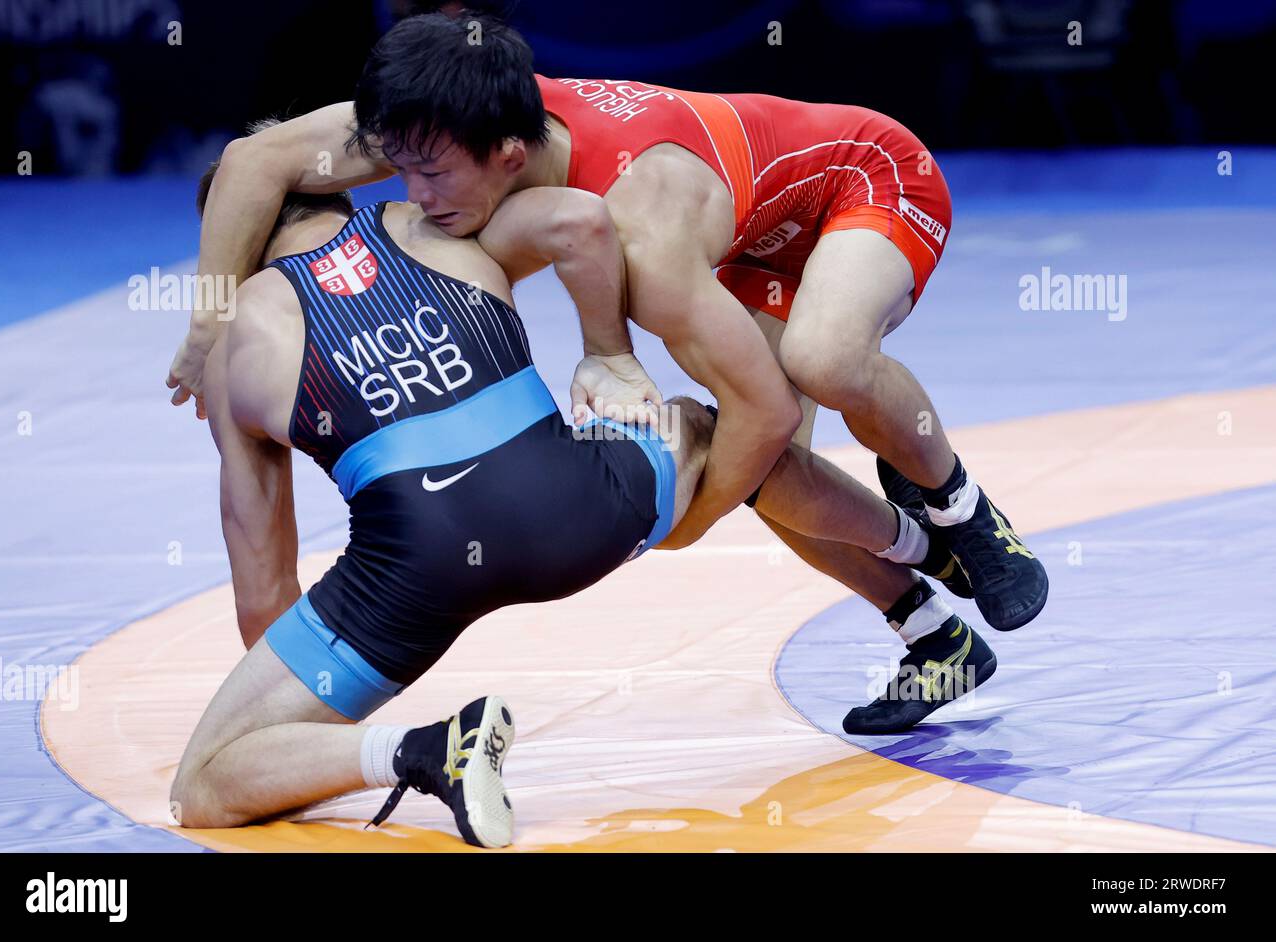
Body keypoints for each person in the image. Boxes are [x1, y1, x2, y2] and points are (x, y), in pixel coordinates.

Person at [167, 10, 1020, 734]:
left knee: (804, 376)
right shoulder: (444, 117)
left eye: (429, 177)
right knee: (755, 469)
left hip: (858, 179)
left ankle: (961, 513)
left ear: (507, 154)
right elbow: (253, 161)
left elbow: (759, 409)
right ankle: (930, 626)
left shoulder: (639, 228)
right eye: (401, 171)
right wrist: (211, 321)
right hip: (743, 247)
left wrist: (682, 524)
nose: (412, 197)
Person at [170, 134, 718, 846]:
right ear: (338, 192)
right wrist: (608, 351)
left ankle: (422, 752)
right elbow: (579, 219)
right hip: (582, 510)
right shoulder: (431, 220)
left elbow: (263, 586)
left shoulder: (239, 341)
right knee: (706, 421)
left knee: (204, 785)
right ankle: (900, 542)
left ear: (230, 250)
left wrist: (304, 736)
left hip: (410, 575)